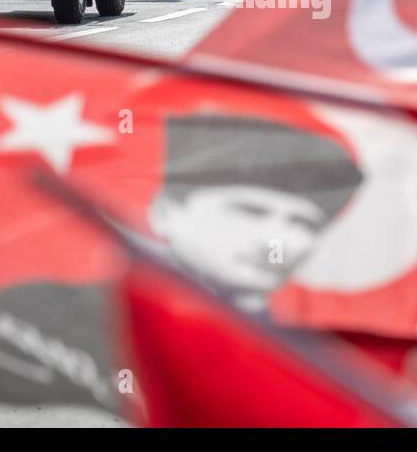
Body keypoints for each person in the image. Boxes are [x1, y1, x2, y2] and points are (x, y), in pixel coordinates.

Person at [146, 113, 363, 315]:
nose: (276, 243)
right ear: (165, 213)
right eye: (251, 212)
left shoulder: (320, 352)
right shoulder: (119, 323)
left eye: (304, 224)